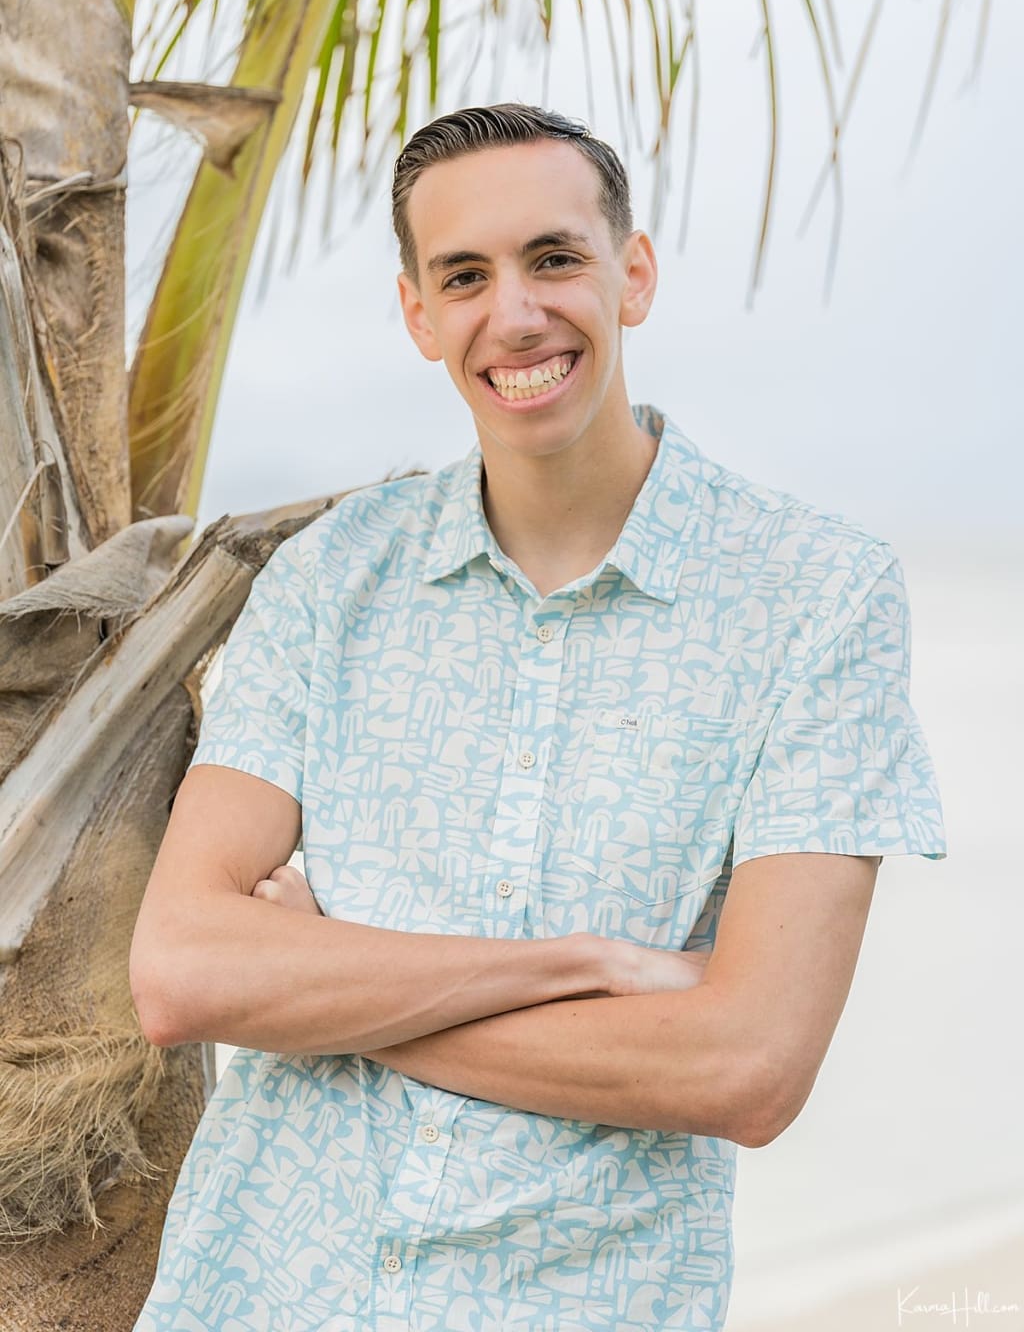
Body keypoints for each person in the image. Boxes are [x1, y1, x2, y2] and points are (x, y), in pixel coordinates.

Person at [129, 102, 947, 1332]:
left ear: (634, 274)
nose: (513, 314)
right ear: (417, 315)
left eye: (553, 258)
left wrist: (330, 986)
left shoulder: (814, 597)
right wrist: (587, 969)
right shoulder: (328, 578)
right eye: (465, 276)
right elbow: (183, 973)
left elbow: (746, 1067)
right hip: (257, 1293)